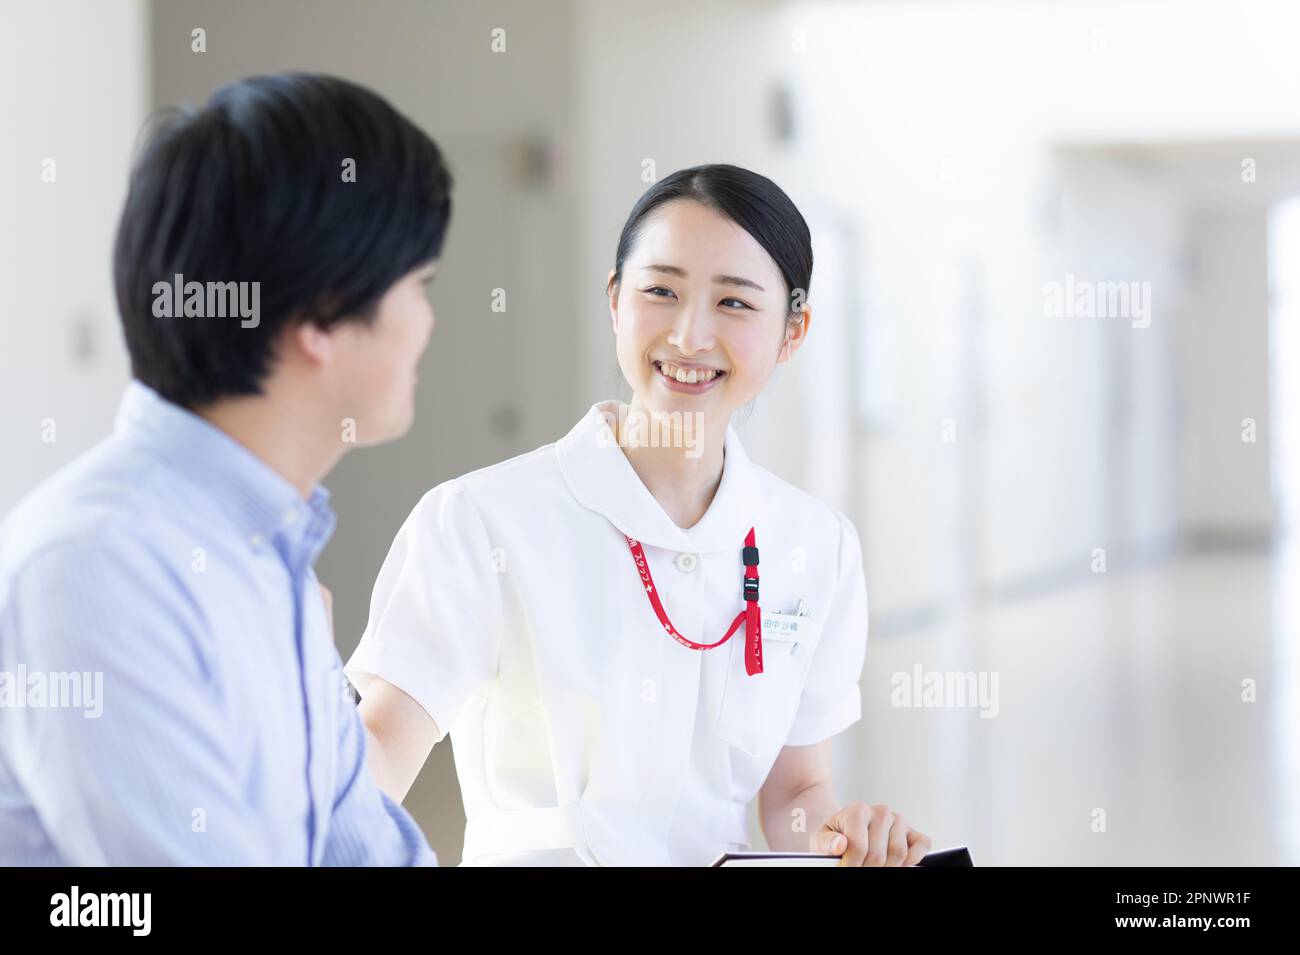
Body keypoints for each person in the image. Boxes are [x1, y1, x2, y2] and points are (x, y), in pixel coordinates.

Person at [346, 164, 931, 866]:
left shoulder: (817, 546)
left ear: (792, 332)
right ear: (616, 301)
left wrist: (848, 840)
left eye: (735, 304)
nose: (689, 336)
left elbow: (796, 792)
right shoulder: (479, 520)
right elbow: (380, 746)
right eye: (661, 291)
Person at [0, 72, 451, 865]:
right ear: (322, 316)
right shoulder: (98, 568)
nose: (430, 321)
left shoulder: (271, 563)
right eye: (420, 285)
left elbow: (367, 853)